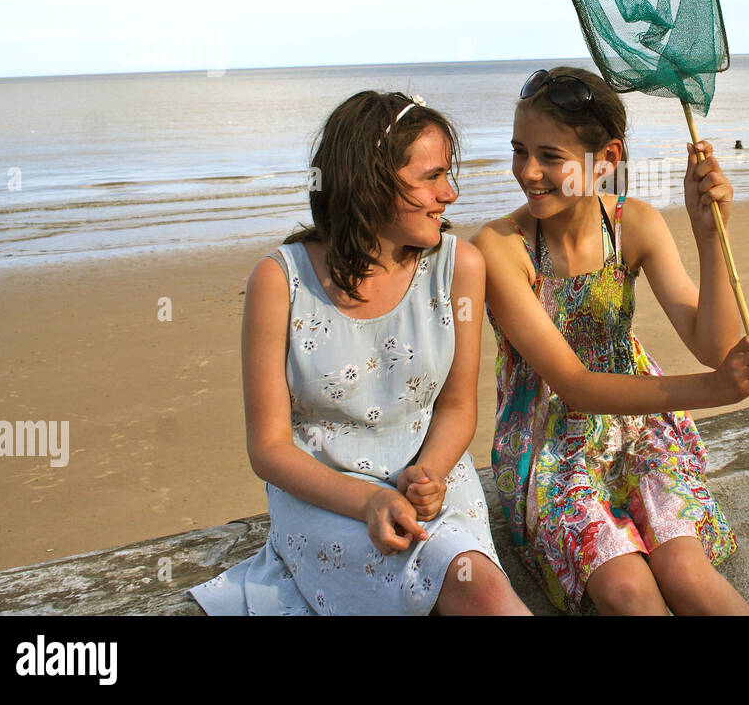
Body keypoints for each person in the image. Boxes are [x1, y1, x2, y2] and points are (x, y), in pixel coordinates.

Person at [190, 91, 529, 616]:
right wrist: (369, 500)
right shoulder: (281, 282)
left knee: (478, 583)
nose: (451, 193)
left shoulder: (460, 268)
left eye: (448, 174)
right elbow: (270, 448)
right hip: (325, 497)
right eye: (431, 177)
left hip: (433, 479)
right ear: (368, 184)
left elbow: (459, 406)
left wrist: (430, 474)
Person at [471, 67, 749, 615]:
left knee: (685, 571)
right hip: (551, 448)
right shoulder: (501, 248)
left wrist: (709, 235)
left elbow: (713, 342)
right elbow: (575, 386)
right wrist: (717, 389)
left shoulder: (633, 223)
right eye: (520, 151)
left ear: (606, 158)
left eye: (549, 156)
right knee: (628, 590)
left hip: (641, 432)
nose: (529, 172)